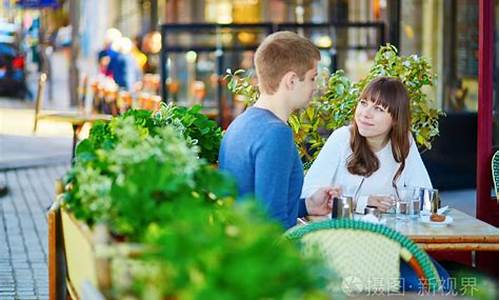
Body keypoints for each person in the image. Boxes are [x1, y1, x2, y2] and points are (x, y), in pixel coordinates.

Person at [301, 76, 451, 292]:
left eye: (379, 108)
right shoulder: (342, 139)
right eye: (363, 103)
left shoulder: (403, 142)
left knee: (441, 284)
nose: (365, 113)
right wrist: (364, 202)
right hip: (344, 249)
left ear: (396, 119)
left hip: (394, 246)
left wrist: (404, 203)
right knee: (421, 286)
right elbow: (309, 195)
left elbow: (427, 198)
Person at [218, 31, 339, 230]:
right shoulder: (276, 134)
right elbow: (273, 224)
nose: (315, 87)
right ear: (291, 81)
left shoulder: (239, 124)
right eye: (312, 78)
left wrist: (308, 205)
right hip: (266, 258)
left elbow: (255, 205)